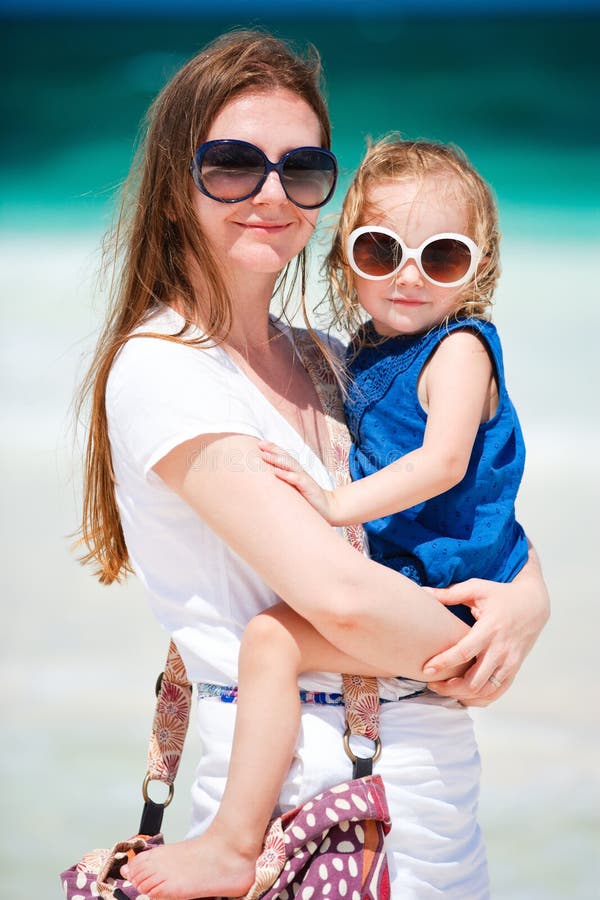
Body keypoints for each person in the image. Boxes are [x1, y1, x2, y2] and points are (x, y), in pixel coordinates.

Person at [77, 30, 549, 900]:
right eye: (231, 164)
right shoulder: (165, 368)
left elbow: (461, 498)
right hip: (298, 802)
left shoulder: (338, 359)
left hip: (430, 794)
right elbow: (339, 598)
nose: (269, 193)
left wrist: (526, 599)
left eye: (300, 169)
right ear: (175, 188)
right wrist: (479, 646)